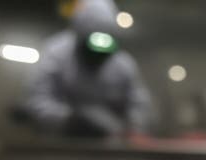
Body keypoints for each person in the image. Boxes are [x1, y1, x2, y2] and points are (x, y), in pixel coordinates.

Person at [23, 0, 153, 141]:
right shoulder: (55, 54)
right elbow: (37, 99)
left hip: (112, 145)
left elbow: (139, 103)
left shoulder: (122, 64)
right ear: (79, 37)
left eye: (106, 43)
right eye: (93, 43)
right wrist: (68, 120)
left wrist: (134, 127)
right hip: (61, 143)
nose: (99, 51)